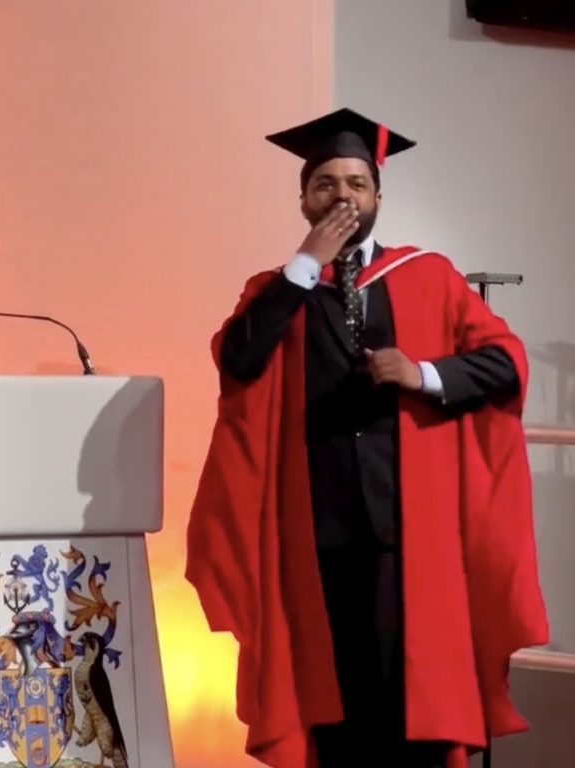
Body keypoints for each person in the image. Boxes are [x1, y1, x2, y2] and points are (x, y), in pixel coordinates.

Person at [185, 108, 548, 768]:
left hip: (409, 534)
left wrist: (425, 373)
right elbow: (236, 359)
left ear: (379, 195)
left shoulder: (428, 277)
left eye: (356, 183)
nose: (342, 197)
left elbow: (505, 361)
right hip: (316, 535)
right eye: (325, 184)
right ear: (303, 199)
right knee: (333, 707)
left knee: (410, 704)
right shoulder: (277, 290)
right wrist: (306, 264)